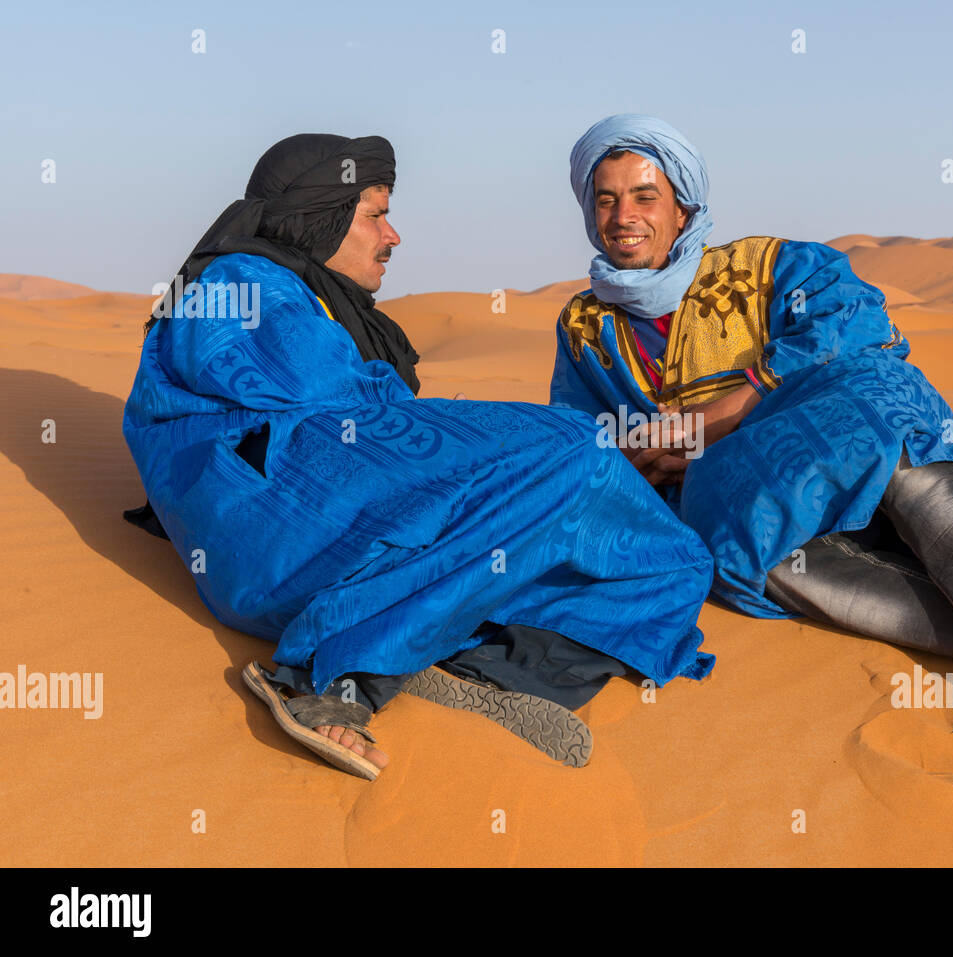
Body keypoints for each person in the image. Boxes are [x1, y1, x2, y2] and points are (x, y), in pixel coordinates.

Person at [549, 115, 953, 763]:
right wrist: (641, 456)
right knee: (730, 542)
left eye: (644, 196)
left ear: (682, 208)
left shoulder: (770, 267)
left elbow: (858, 327)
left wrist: (727, 410)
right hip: (753, 508)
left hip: (874, 467)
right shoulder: (586, 328)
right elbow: (579, 437)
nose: (624, 214)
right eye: (606, 198)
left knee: (873, 402)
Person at [122, 133, 715, 779]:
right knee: (570, 450)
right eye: (376, 214)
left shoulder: (300, 293)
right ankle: (330, 677)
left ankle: (481, 664)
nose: (394, 234)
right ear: (318, 217)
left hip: (328, 532)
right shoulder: (239, 280)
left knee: (666, 554)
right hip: (279, 541)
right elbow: (323, 398)